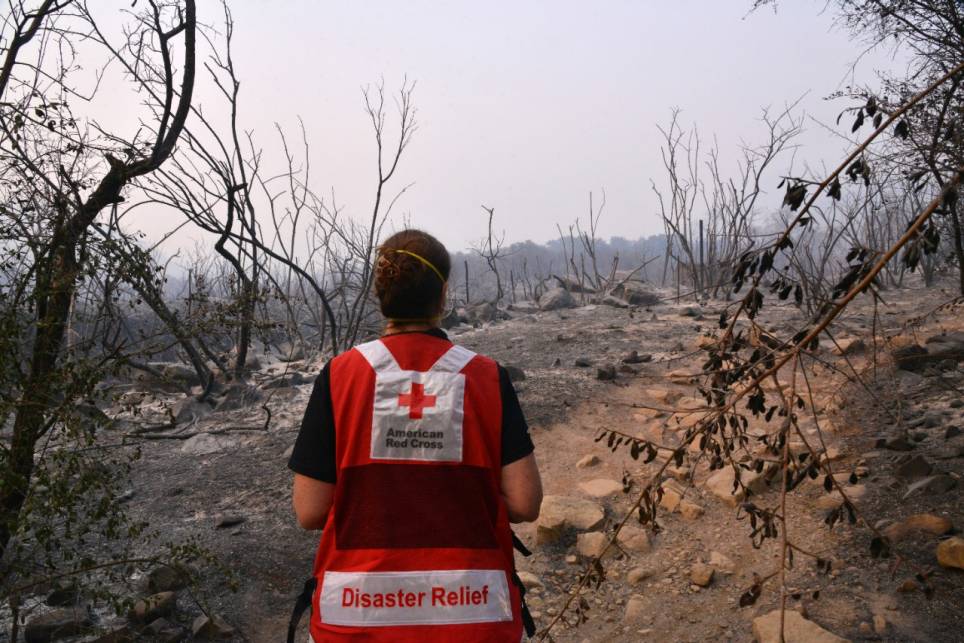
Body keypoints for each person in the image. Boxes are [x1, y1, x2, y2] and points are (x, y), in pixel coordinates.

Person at [288, 229, 543, 642]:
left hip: (355, 619)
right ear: (442, 295)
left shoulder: (339, 376)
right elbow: (525, 502)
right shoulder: (485, 377)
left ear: (380, 293)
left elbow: (310, 511)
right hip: (474, 617)